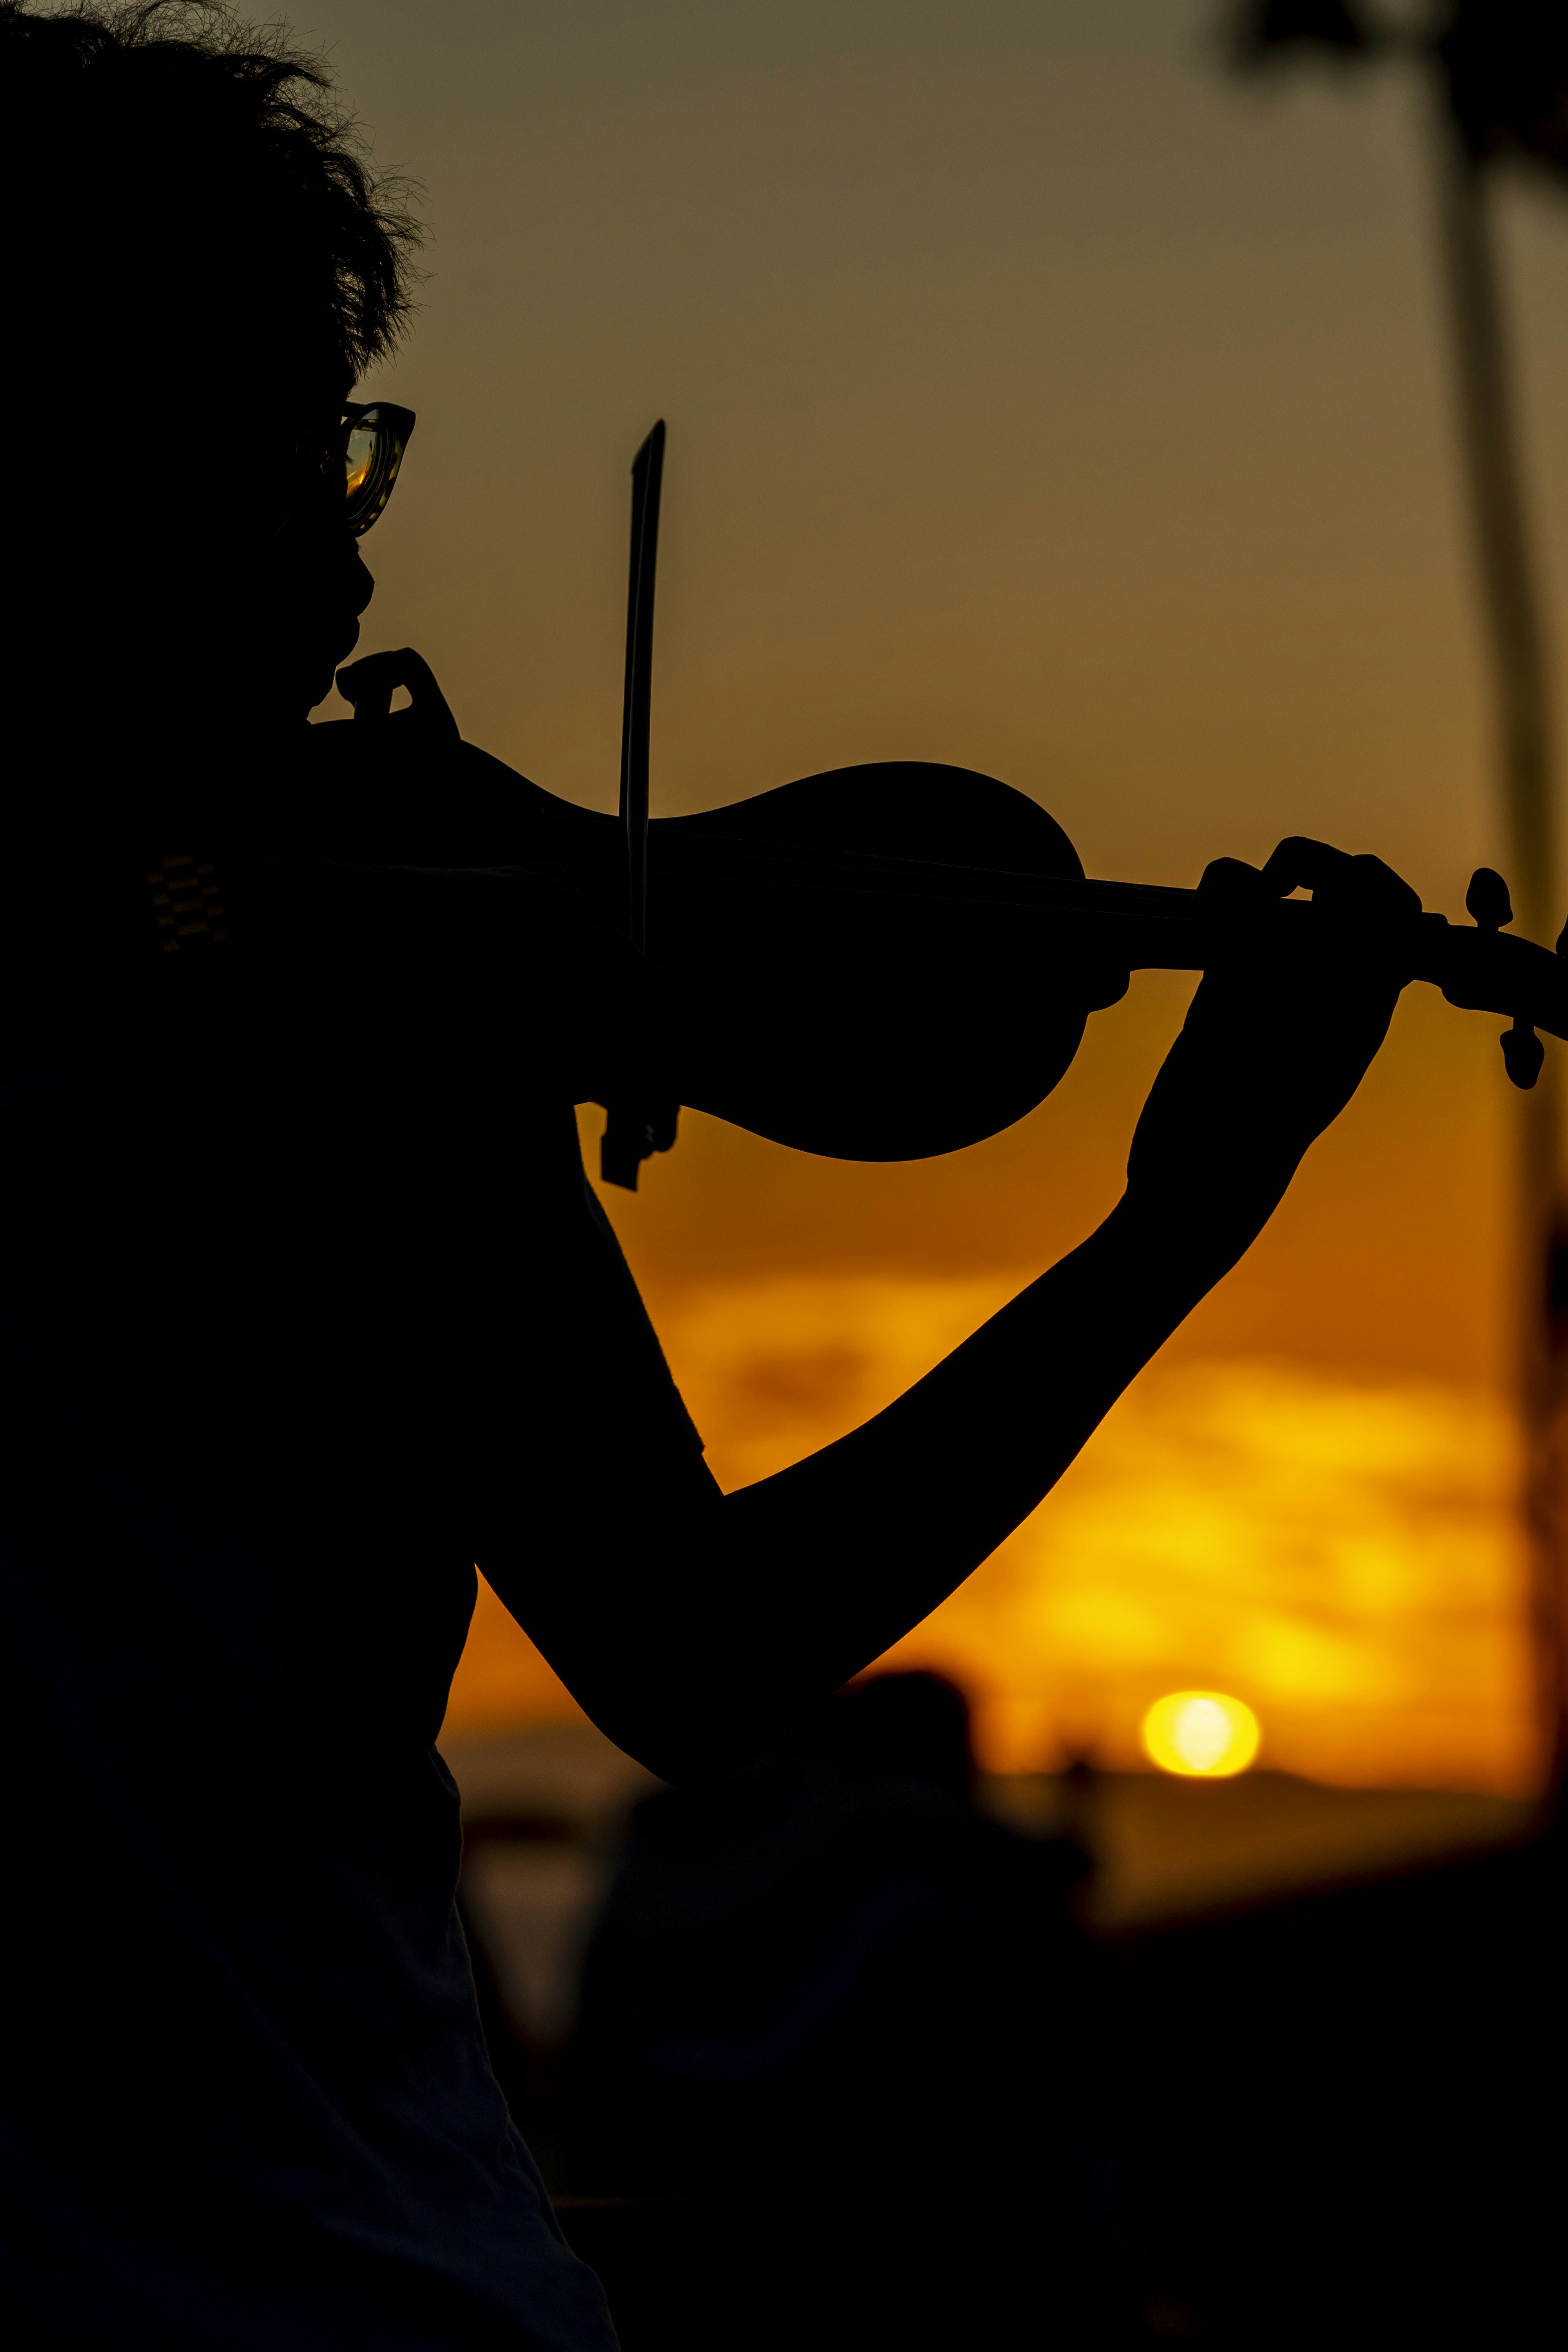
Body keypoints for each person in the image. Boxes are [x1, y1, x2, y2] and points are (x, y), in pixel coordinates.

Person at [0, 5, 1420, 2347]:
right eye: (285, 480)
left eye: (349, 465)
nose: (351, 576)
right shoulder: (368, 1029)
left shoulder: (367, 1000)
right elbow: (703, 1654)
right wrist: (1173, 1230)